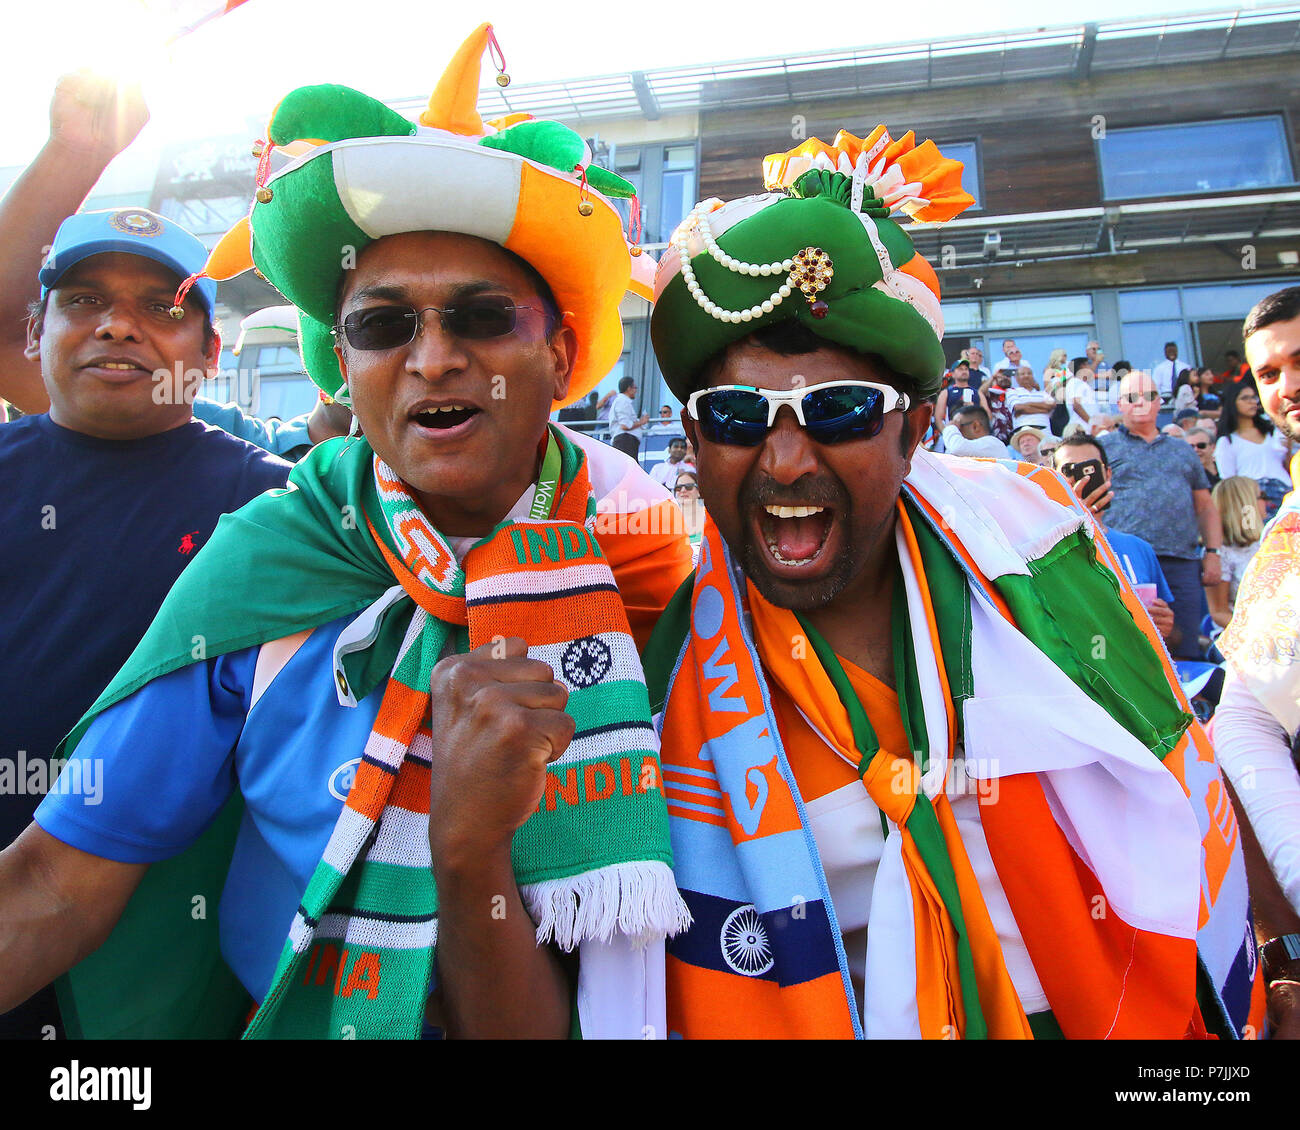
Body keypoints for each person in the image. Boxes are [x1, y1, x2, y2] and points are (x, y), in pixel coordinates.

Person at [0, 27, 692, 1041]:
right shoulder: (269, 562)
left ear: (562, 355)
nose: (434, 357)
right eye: (382, 325)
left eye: (481, 315)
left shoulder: (659, 575)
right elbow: (59, 882)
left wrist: (467, 854)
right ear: (344, 371)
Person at [645, 123, 1260, 1039]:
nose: (782, 459)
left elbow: (1185, 786)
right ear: (692, 445)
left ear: (918, 429)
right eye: (736, 415)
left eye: (840, 411)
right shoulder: (656, 679)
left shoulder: (1051, 569)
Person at [0, 76, 294, 1038]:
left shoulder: (267, 503)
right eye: (83, 299)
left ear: (208, 353)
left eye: (157, 306)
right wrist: (68, 156)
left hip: (145, 958)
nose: (116, 324)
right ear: (38, 332)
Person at [1215, 286, 1300, 1017]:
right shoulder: (1287, 521)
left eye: (1298, 362)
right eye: (1269, 374)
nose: (1287, 386)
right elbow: (1244, 709)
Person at [1099, 371, 1222, 660]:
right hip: (1125, 562)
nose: (1141, 402)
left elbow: (1204, 505)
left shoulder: (1183, 449)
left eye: (1149, 396)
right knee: (1129, 648)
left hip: (1181, 561)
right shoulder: (1104, 448)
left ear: (1160, 402)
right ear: (1120, 404)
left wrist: (1214, 552)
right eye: (1132, 397)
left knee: (1184, 647)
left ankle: (1192, 704)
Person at [1053, 437, 1176, 645]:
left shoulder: (1139, 548)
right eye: (1069, 470)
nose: (1081, 477)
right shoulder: (1044, 549)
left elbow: (1171, 640)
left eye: (1089, 468)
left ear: (1107, 473)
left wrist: (1166, 627)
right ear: (1054, 477)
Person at [1214, 380, 1293, 521]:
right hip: (1252, 498)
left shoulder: (1272, 432)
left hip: (1284, 491)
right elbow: (1230, 482)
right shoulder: (1227, 442)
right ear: (1232, 403)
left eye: (1253, 397)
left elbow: (1287, 466)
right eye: (1245, 398)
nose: (1252, 402)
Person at [1205, 476, 1265, 629]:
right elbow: (1218, 612)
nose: (1267, 503)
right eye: (1261, 497)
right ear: (1246, 505)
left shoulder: (1270, 542)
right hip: (1238, 637)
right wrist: (1258, 636)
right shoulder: (1219, 553)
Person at [942, 404, 1012, 458]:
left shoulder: (994, 444)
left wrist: (950, 428)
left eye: (958, 426)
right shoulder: (969, 449)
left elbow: (957, 448)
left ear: (976, 426)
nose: (956, 432)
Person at [1005, 363, 1056, 435]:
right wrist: (1044, 410)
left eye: (1029, 373)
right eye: (1022, 374)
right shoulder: (1012, 391)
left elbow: (1052, 405)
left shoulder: (1042, 393)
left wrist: (1028, 404)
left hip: (1045, 432)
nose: (1026, 376)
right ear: (1016, 378)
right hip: (1024, 432)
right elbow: (1018, 408)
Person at [608, 375, 650, 458]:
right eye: (635, 387)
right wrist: (642, 421)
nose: (636, 391)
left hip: (626, 441)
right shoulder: (622, 401)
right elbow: (625, 425)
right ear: (629, 388)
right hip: (625, 441)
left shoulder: (622, 401)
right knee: (628, 468)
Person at [672, 469, 706, 560]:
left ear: (699, 491)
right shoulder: (668, 518)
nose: (683, 490)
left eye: (689, 487)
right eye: (678, 488)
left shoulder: (710, 516)